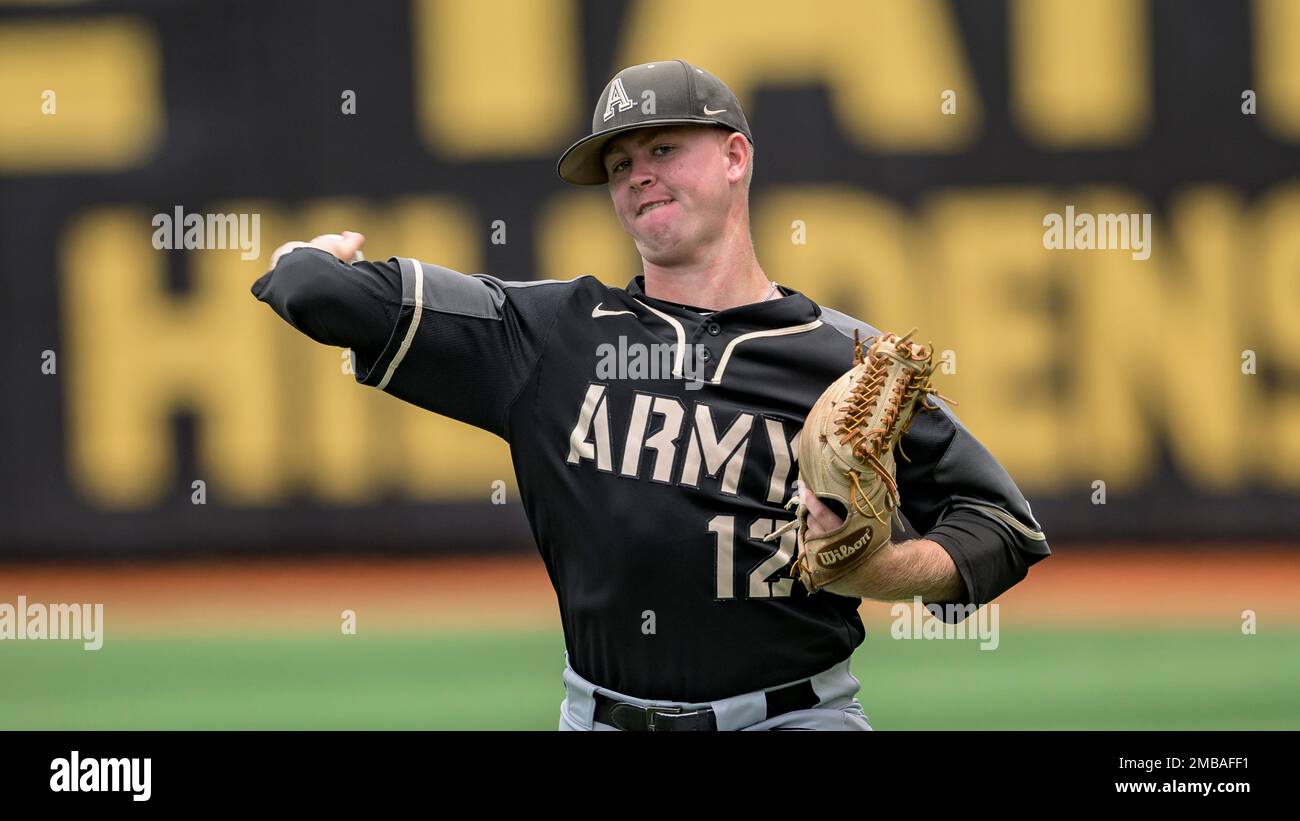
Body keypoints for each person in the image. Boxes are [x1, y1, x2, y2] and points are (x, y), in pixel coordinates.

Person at [251, 60, 1050, 731]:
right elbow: (316, 293)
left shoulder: (845, 361)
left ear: (736, 156)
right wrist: (302, 259)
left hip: (796, 717)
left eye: (664, 147)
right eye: (620, 164)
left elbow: (1003, 528)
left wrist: (882, 570)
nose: (639, 175)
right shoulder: (549, 335)